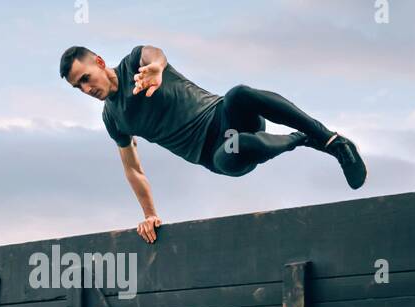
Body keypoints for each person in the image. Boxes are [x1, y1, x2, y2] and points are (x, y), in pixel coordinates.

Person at [59, 44, 367, 243]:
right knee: (238, 146)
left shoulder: (136, 63)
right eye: (78, 87)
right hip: (216, 153)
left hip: (224, 117)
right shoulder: (113, 118)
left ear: (99, 62)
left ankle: (332, 141)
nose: (86, 89)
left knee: (238, 94)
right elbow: (133, 169)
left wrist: (157, 69)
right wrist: (149, 214)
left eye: (85, 78)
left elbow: (156, 55)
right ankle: (299, 139)